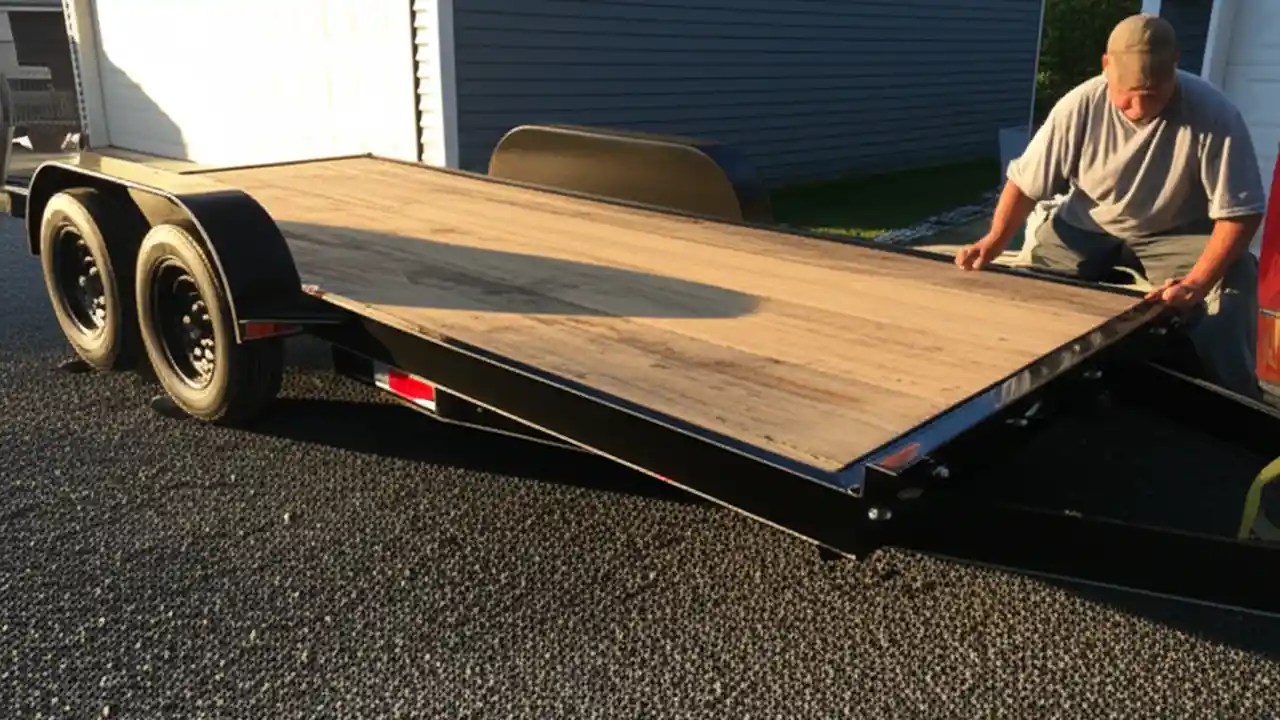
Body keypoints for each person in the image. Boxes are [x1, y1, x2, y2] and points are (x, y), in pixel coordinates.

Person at [955, 13, 1269, 400]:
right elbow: (1024, 183)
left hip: (1176, 232)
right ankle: (1025, 392)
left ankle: (1234, 401)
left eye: (1152, 93)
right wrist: (994, 240)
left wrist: (1196, 283)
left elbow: (1240, 213)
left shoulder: (1213, 114)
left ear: (1175, 67)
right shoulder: (1079, 105)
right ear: (1106, 65)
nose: (1137, 107)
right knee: (1030, 292)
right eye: (1128, 93)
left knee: (1232, 285)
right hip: (1086, 226)